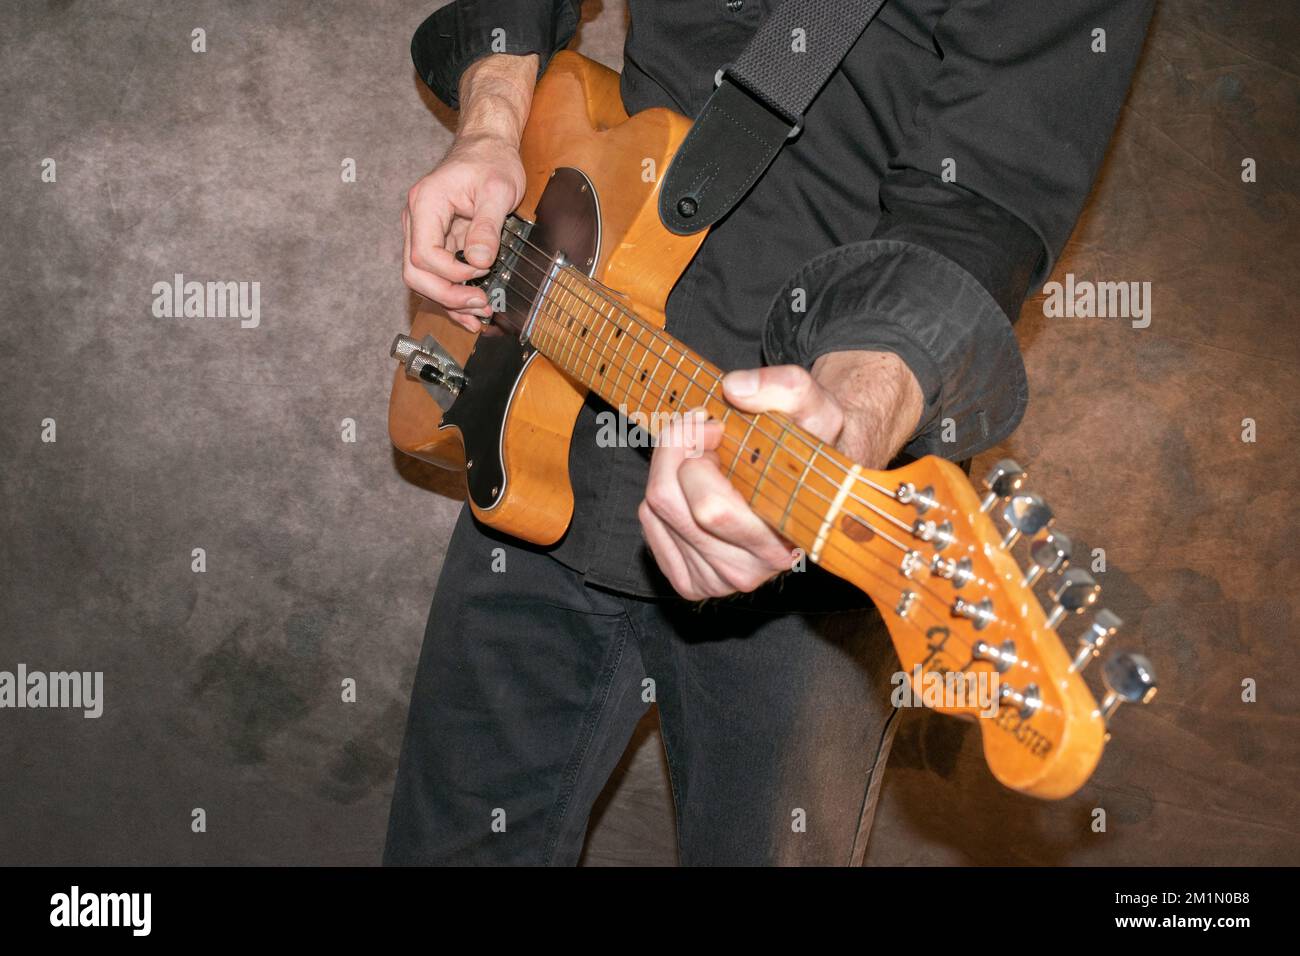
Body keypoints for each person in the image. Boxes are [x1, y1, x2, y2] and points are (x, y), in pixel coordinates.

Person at [384, 0, 1152, 865]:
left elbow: (987, 194)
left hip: (808, 518)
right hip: (546, 427)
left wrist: (853, 411)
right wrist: (492, 123)